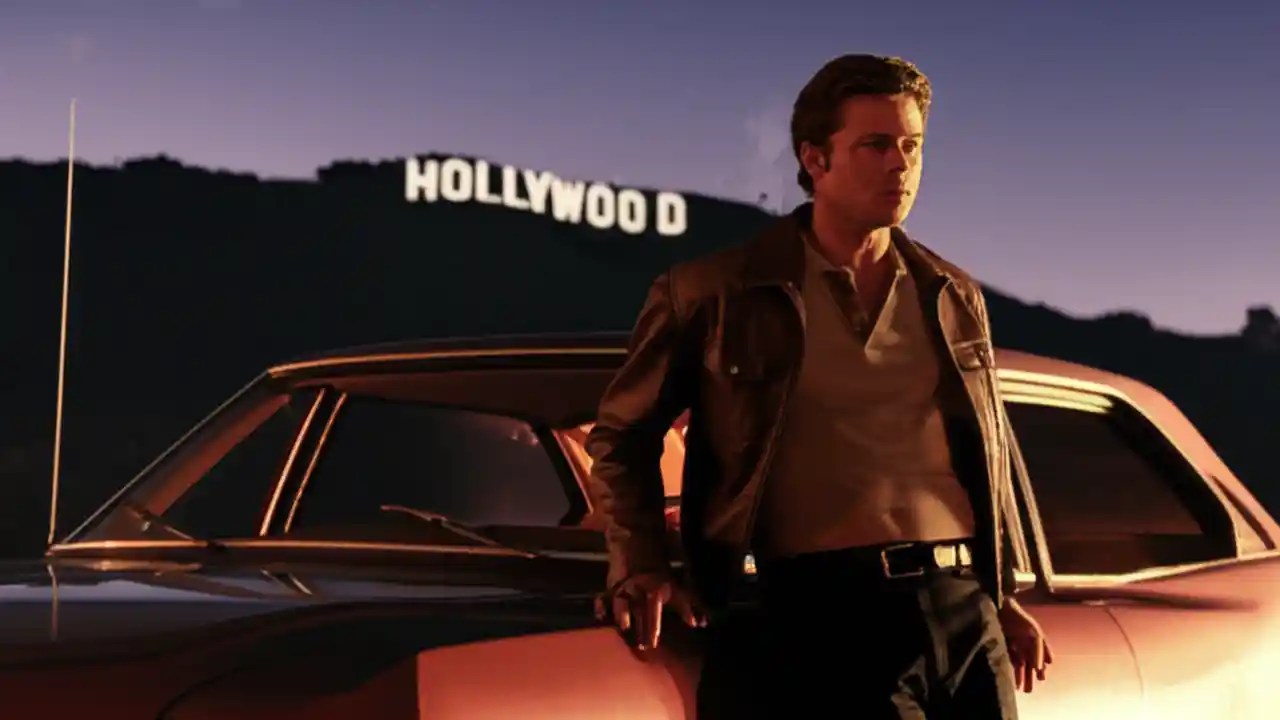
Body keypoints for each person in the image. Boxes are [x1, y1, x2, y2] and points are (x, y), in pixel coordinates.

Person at [585, 53, 1051, 718]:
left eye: (912, 146)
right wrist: (642, 568)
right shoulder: (715, 293)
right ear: (815, 160)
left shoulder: (950, 294)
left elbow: (983, 452)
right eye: (875, 145)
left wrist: (998, 597)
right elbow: (622, 435)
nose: (900, 164)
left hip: (962, 610)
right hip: (816, 611)